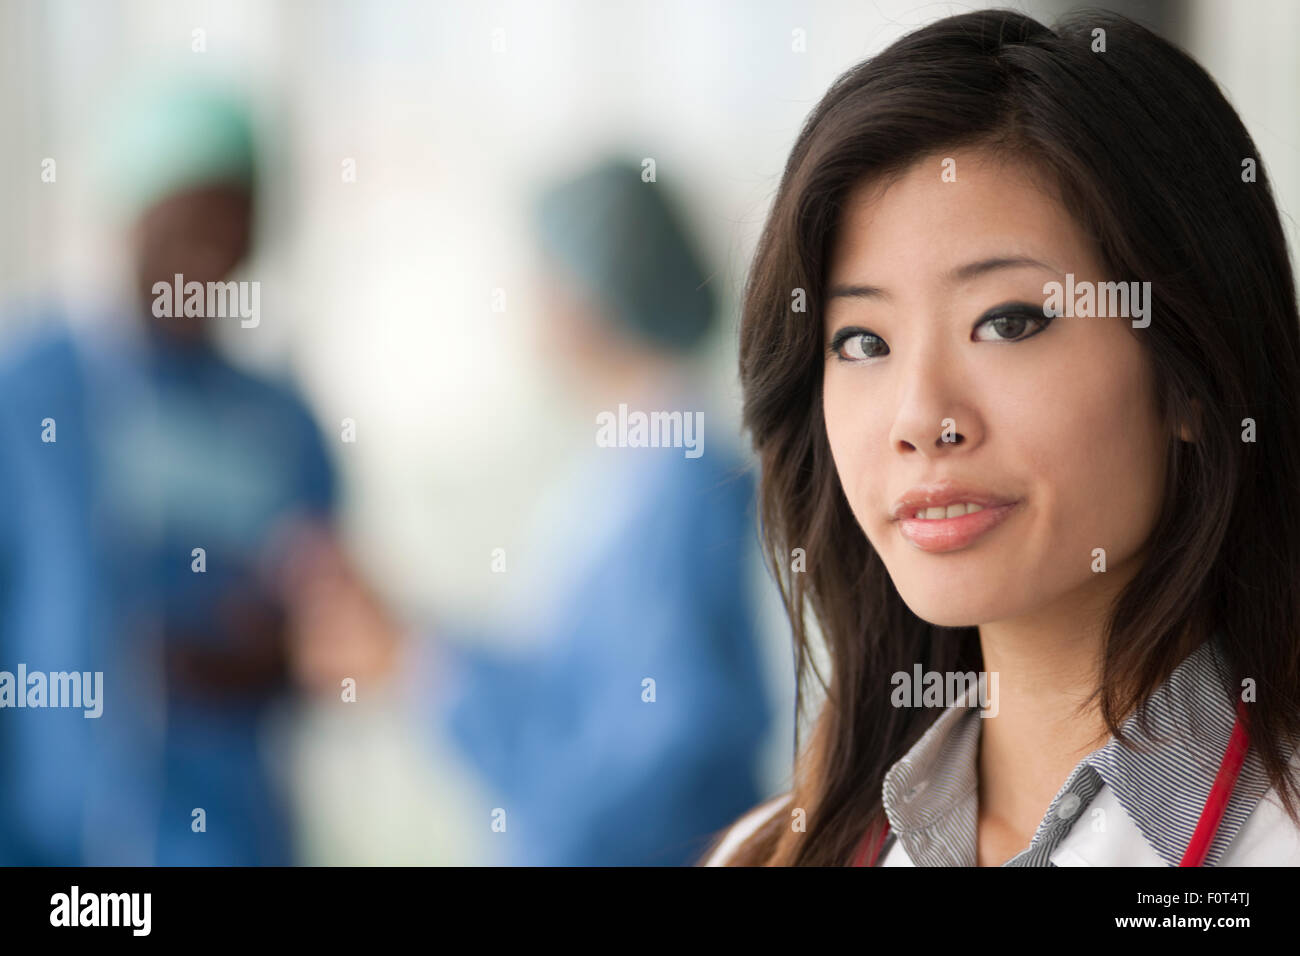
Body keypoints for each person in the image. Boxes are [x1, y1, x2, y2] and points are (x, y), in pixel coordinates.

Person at [704, 9, 1300, 866]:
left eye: (1009, 322)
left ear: (1192, 374)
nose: (920, 418)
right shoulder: (769, 855)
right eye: (862, 341)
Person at [286, 157, 774, 866]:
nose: (524, 299)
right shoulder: (627, 465)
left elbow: (660, 751)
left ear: (589, 292)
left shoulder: (681, 476)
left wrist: (426, 669)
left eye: (542, 272)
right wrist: (412, 646)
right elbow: (576, 691)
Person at [0, 81, 337, 864]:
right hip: (55, 847)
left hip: (234, 836)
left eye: (232, 229)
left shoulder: (281, 423)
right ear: (128, 216)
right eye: (186, 223)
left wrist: (272, 661)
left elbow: (340, 632)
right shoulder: (33, 393)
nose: (207, 257)